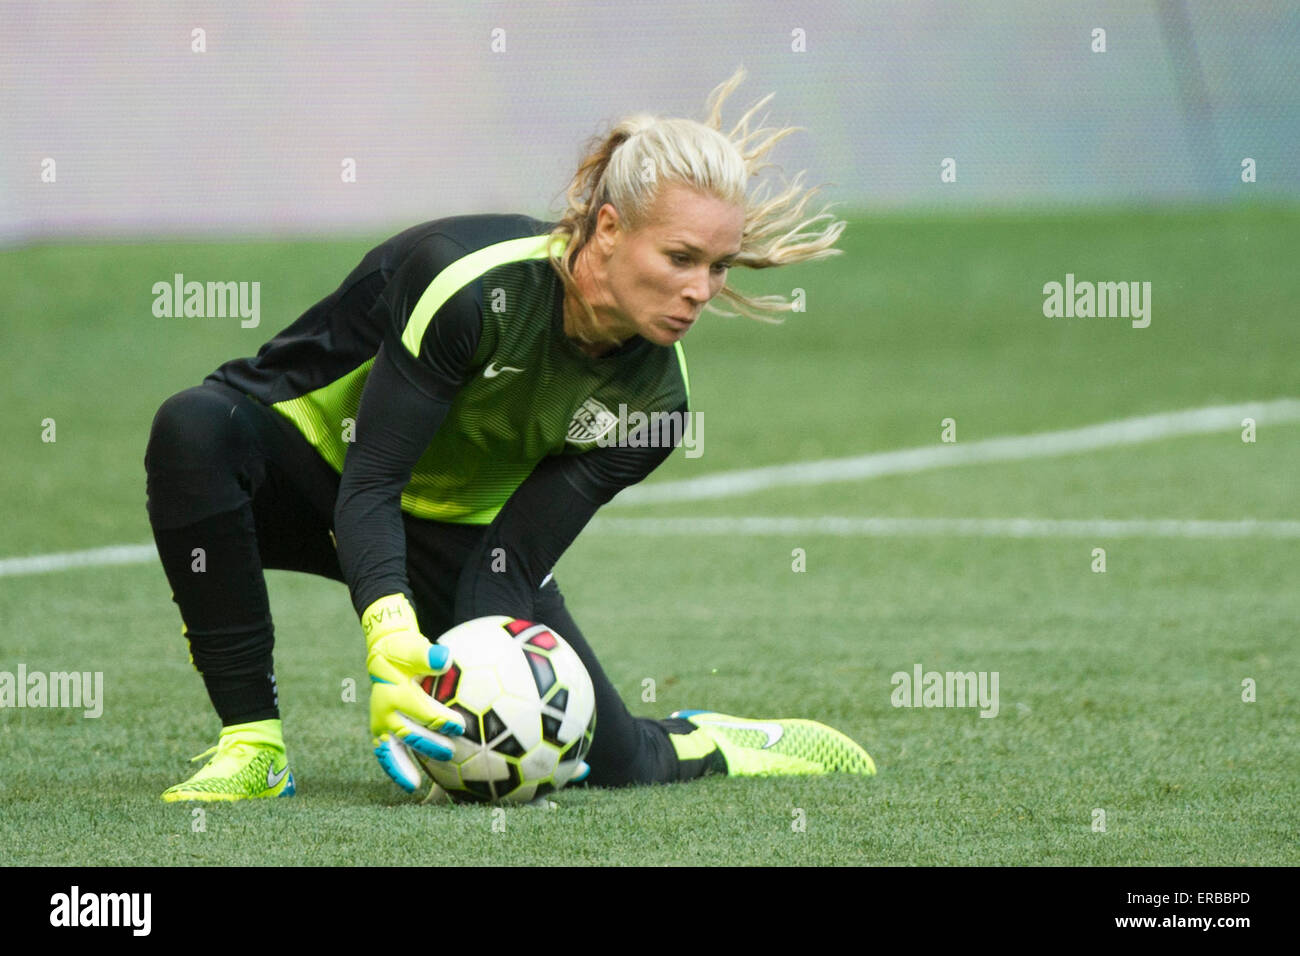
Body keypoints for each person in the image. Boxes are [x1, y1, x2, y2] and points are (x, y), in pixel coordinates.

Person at [145, 66, 876, 802]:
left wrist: (487, 699)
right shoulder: (470, 290)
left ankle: (708, 738)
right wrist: (392, 643)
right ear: (610, 227)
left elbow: (506, 564)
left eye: (718, 266)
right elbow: (371, 481)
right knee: (196, 428)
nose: (701, 290)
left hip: (461, 537)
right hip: (312, 473)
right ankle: (254, 748)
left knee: (609, 764)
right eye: (681, 258)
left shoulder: (656, 403)